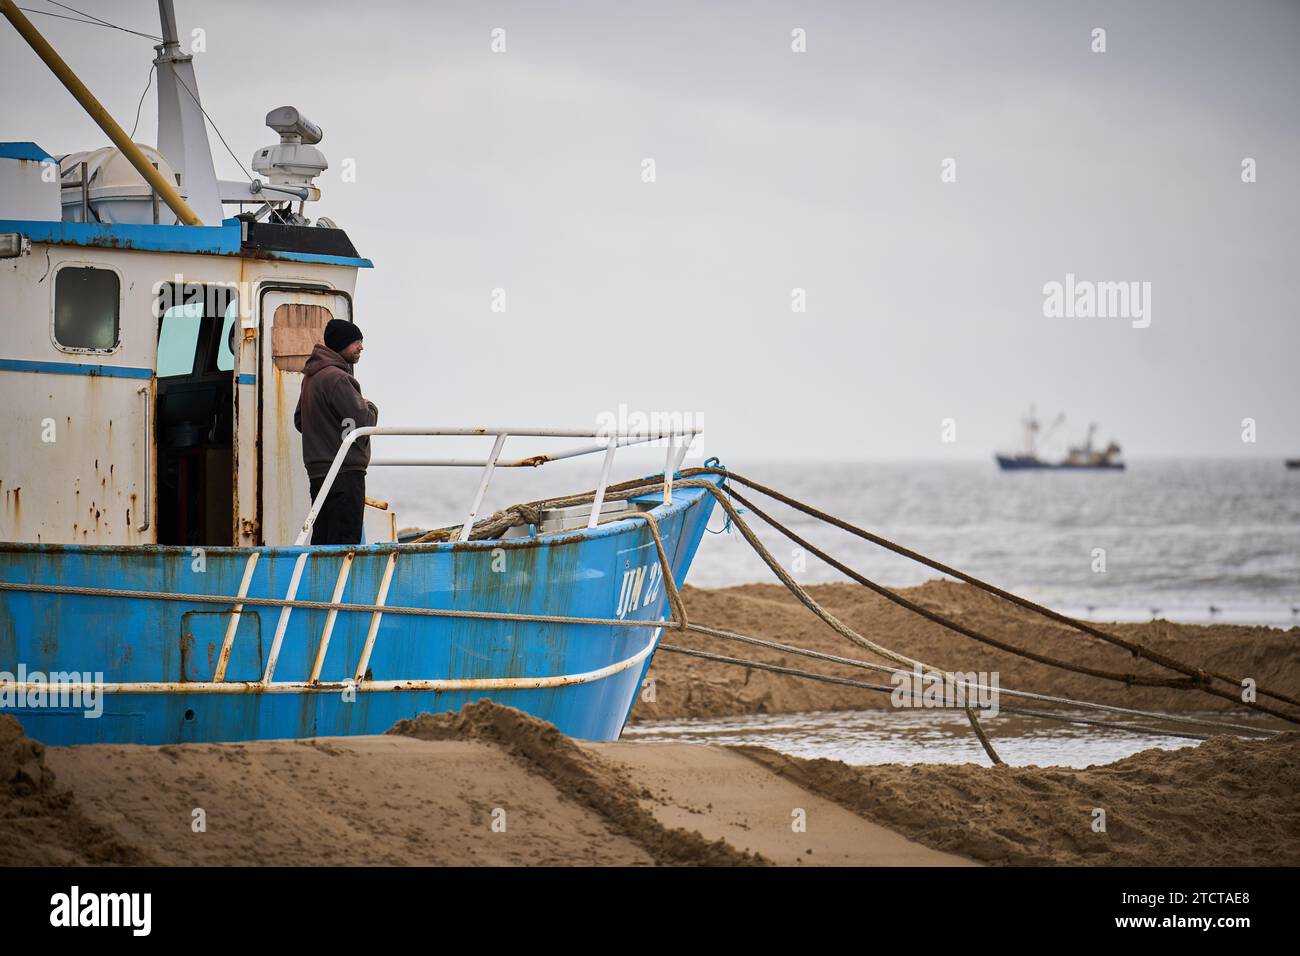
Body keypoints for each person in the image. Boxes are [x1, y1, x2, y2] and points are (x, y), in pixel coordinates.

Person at [293, 319, 378, 544]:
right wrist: (370, 406)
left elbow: (300, 421)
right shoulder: (337, 378)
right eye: (356, 342)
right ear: (342, 344)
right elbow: (365, 422)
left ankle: (320, 580)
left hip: (320, 473)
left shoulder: (312, 377)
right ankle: (340, 580)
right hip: (345, 473)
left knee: (323, 541)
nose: (361, 347)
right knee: (344, 542)